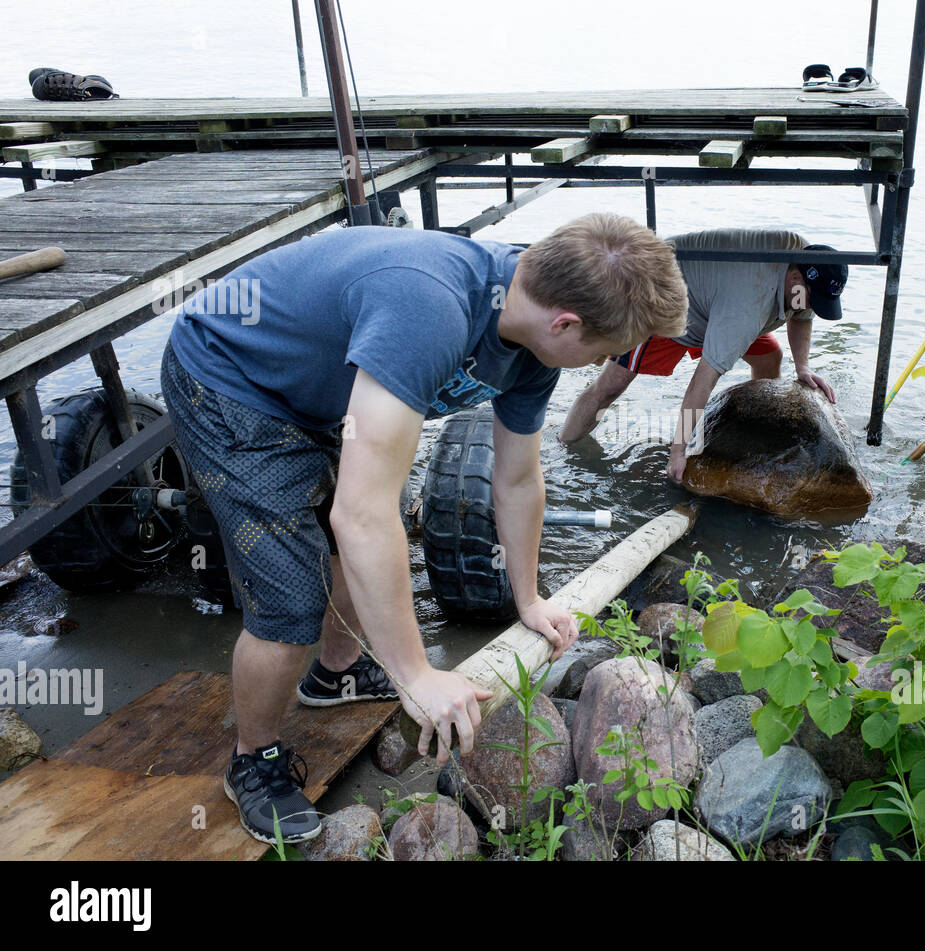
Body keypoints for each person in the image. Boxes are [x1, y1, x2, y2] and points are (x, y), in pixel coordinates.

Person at [160, 213, 687, 844]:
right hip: (229, 376)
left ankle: (338, 672)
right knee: (292, 594)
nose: (599, 365)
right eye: (603, 353)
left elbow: (517, 479)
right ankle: (255, 757)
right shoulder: (429, 309)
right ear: (565, 323)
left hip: (320, 390)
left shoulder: (531, 345)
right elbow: (359, 514)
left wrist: (529, 598)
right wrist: (415, 674)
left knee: (370, 530)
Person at [558, 228, 847, 480]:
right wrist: (678, 452)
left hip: (715, 304)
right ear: (794, 277)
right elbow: (702, 382)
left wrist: (803, 368)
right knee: (610, 387)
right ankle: (565, 449)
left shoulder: (806, 266)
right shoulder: (746, 308)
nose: (811, 306)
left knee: (770, 358)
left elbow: (802, 316)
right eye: (813, 299)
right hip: (660, 297)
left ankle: (755, 436)